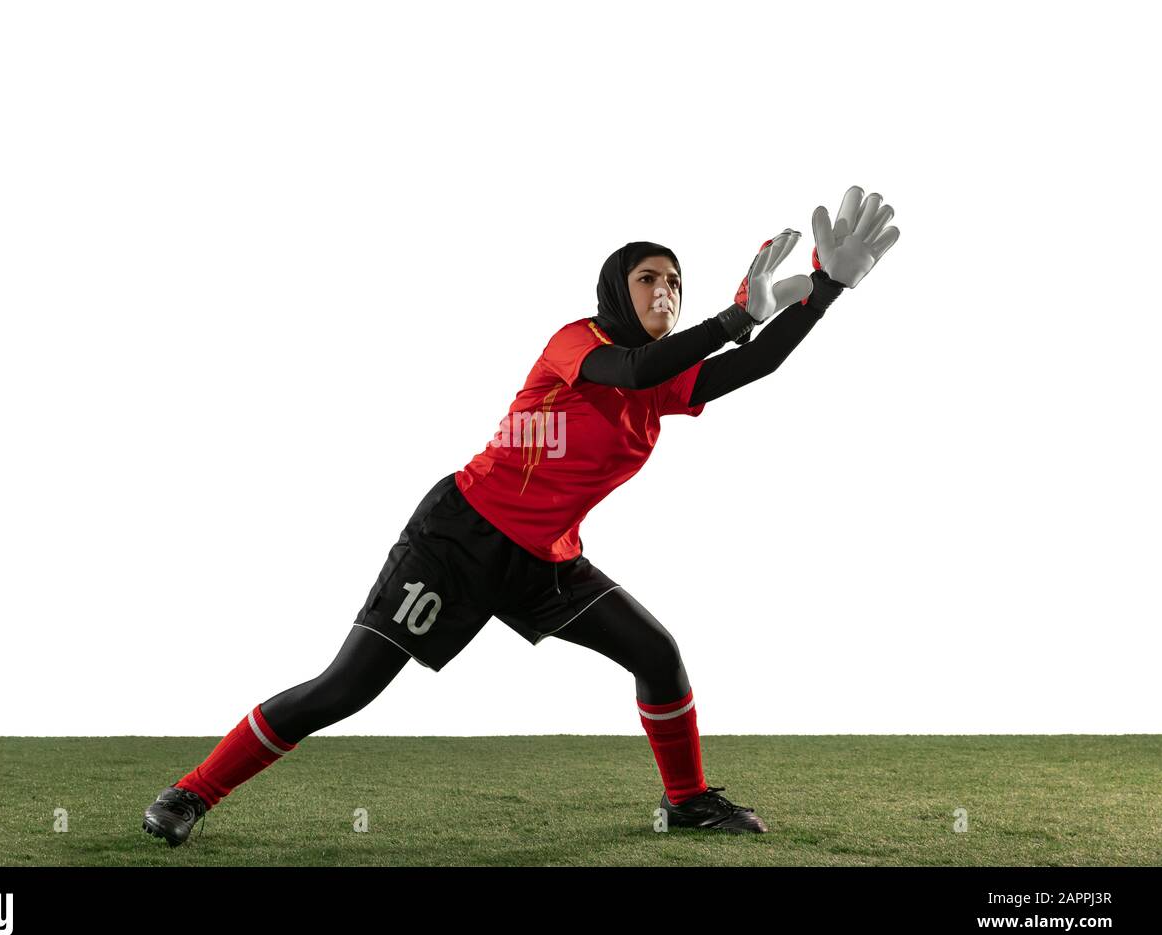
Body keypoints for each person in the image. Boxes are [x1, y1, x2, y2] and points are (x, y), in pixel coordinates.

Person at [142, 185, 901, 846]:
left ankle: (688, 803)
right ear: (615, 288)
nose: (664, 292)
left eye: (674, 280)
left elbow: (753, 364)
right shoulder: (579, 342)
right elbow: (636, 367)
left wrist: (827, 288)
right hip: (458, 537)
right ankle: (189, 794)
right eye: (647, 279)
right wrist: (737, 314)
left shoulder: (667, 381)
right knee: (345, 688)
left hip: (546, 559)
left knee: (657, 655)